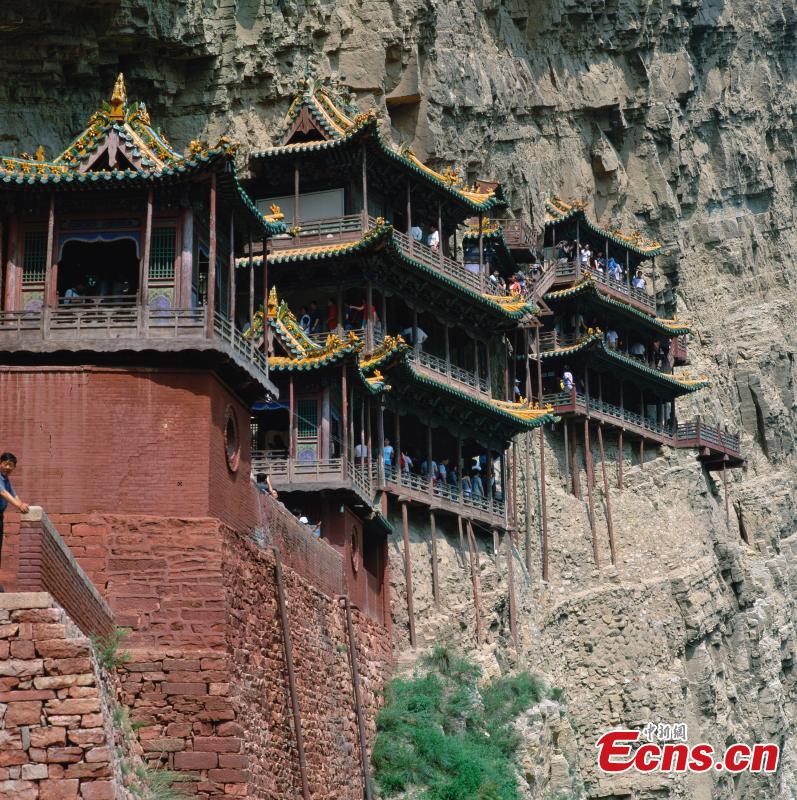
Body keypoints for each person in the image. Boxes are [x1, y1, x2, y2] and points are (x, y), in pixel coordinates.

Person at [0, 453, 29, 565]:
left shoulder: (6, 480)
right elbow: (3, 493)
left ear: (14, 467)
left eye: (10, 465)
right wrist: (19, 506)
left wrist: (22, 504)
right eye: (5, 464)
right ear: (0, 463)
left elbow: (13, 495)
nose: (7, 467)